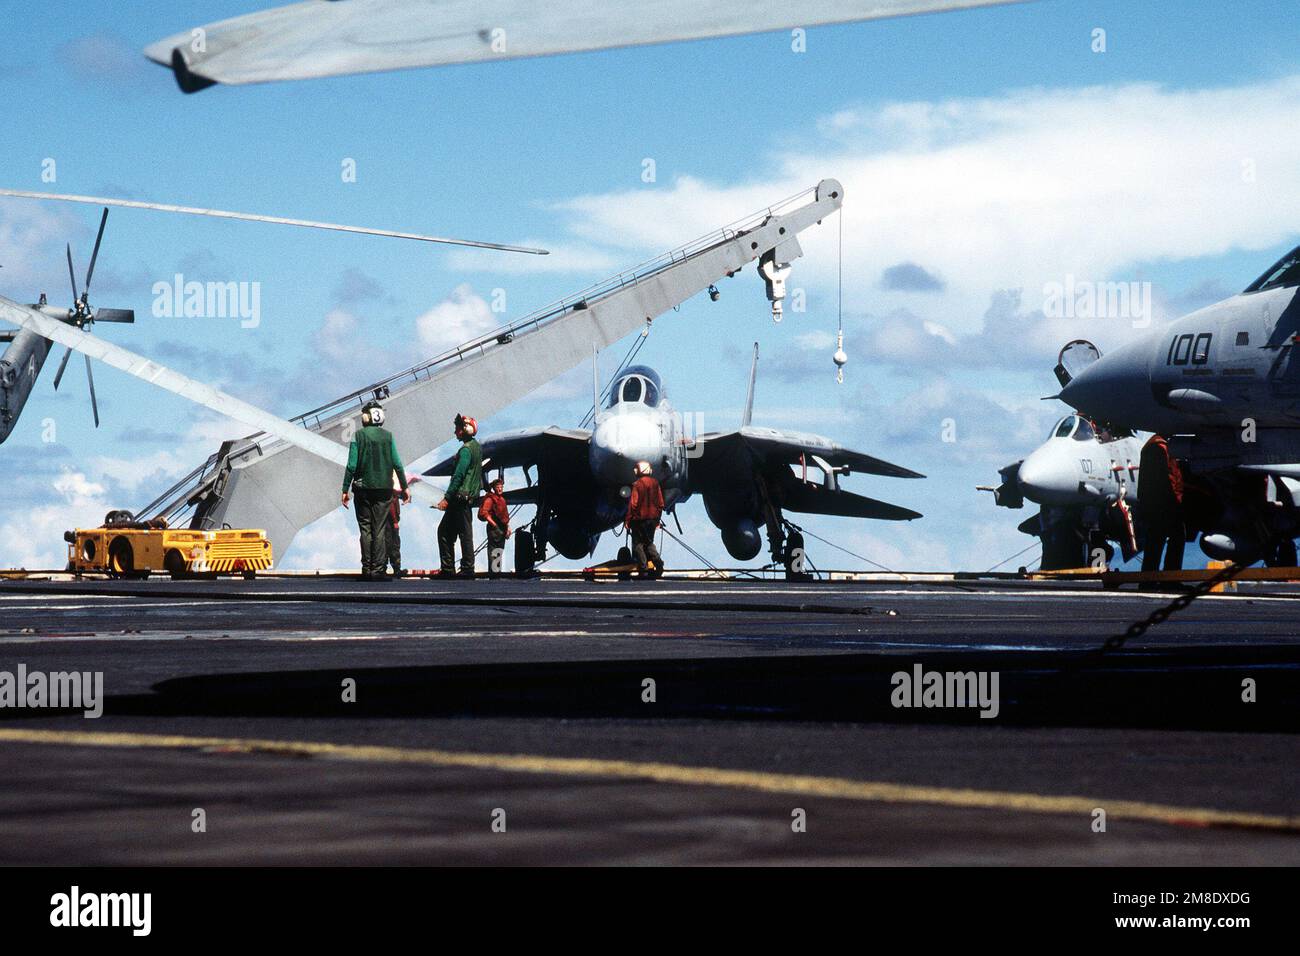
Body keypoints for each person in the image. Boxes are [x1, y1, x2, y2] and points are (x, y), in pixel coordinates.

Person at [341, 400, 409, 581]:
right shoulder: (388, 436)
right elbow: (397, 464)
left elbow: (351, 465)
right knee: (379, 529)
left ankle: (366, 568)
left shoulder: (357, 436)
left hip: (362, 489)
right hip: (384, 490)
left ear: (366, 417)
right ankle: (378, 570)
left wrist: (345, 489)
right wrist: (405, 487)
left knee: (365, 529)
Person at [436, 413, 483, 578]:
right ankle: (461, 568)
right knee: (460, 532)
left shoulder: (465, 450)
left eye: (458, 428)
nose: (455, 432)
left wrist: (447, 498)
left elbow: (459, 476)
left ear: (465, 429)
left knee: (448, 532)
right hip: (468, 498)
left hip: (459, 498)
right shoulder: (477, 447)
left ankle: (458, 569)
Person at [1138, 432, 1185, 586]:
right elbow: (1165, 478)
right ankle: (1169, 580)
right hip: (1163, 504)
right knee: (1174, 537)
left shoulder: (1154, 446)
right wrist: (1174, 503)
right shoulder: (1158, 447)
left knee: (1155, 541)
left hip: (1156, 504)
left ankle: (1149, 580)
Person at [625, 460, 664, 578]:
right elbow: (661, 504)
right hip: (652, 519)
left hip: (639, 520)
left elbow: (633, 504)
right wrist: (657, 520)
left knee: (638, 545)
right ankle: (659, 563)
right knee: (649, 542)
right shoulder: (655, 483)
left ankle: (643, 569)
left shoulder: (637, 484)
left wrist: (628, 520)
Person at [478, 476, 511, 577]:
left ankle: (496, 573)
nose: (500, 489)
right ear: (494, 488)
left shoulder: (502, 500)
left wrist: (508, 527)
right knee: (494, 552)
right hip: (494, 529)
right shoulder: (490, 499)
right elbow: (484, 513)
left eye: (501, 487)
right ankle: (494, 575)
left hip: (502, 528)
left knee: (499, 551)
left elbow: (505, 516)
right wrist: (495, 525)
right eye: (498, 487)